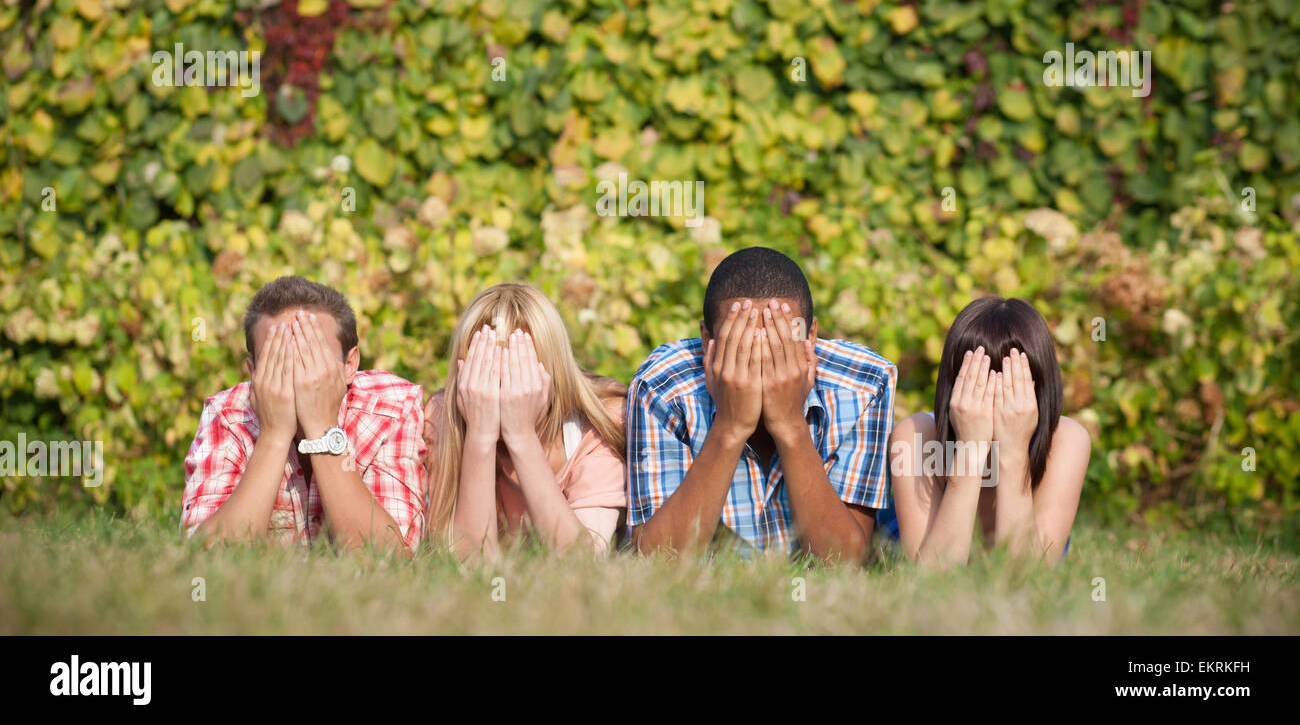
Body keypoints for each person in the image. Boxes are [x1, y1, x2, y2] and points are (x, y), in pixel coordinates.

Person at [626, 246, 896, 563]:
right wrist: (730, 426)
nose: (762, 355)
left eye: (781, 341)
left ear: (811, 337)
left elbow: (844, 562)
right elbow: (657, 561)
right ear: (705, 340)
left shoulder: (864, 384)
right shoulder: (661, 386)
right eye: (738, 341)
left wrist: (790, 424)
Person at [181, 276, 428, 551]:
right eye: (278, 359)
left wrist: (323, 428)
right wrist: (273, 436)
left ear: (350, 364)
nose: (300, 375)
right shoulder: (227, 414)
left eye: (313, 357)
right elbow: (204, 558)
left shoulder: (392, 408)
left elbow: (390, 561)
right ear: (253, 374)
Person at [882, 296, 1090, 567]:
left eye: (1013, 387)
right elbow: (934, 578)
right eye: (976, 384)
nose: (992, 404)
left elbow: (1026, 578)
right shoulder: (916, 435)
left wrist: (1013, 453)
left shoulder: (1066, 439)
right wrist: (971, 450)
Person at [424, 283, 627, 558]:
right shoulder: (442, 416)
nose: (505, 394)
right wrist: (479, 437)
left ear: (553, 375)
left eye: (520, 377)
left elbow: (582, 563)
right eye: (485, 375)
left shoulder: (601, 420)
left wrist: (521, 436)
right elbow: (466, 564)